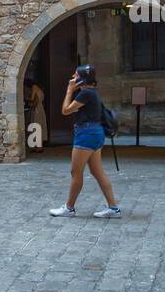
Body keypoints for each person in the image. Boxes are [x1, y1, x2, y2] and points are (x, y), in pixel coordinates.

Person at [50, 64, 121, 218]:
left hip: (86, 135)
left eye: (75, 75)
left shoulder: (85, 94)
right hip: (95, 133)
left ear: (81, 79)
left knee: (76, 172)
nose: (73, 77)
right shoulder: (92, 93)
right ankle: (113, 208)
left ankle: (69, 208)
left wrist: (69, 90)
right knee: (97, 171)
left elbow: (65, 110)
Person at [25, 78, 46, 152]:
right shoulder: (40, 89)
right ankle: (39, 146)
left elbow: (32, 98)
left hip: (35, 108)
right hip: (40, 108)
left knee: (35, 126)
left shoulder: (34, 87)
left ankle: (36, 147)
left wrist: (26, 99)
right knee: (40, 126)